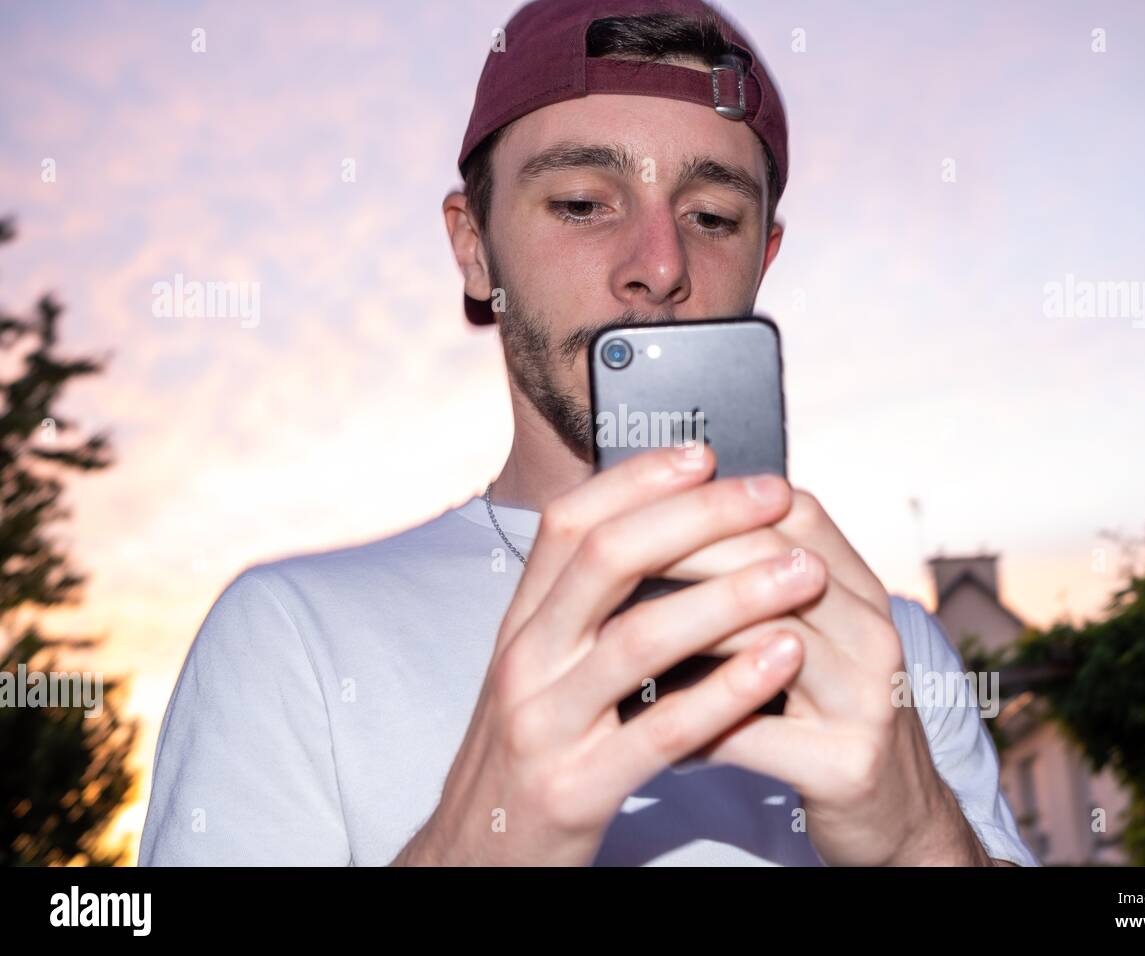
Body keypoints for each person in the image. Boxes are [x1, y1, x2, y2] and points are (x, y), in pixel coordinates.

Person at [139, 0, 1038, 867]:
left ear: (765, 256)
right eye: (580, 203)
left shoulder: (894, 649)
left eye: (713, 217)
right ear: (474, 246)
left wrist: (925, 844)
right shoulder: (288, 641)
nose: (660, 265)